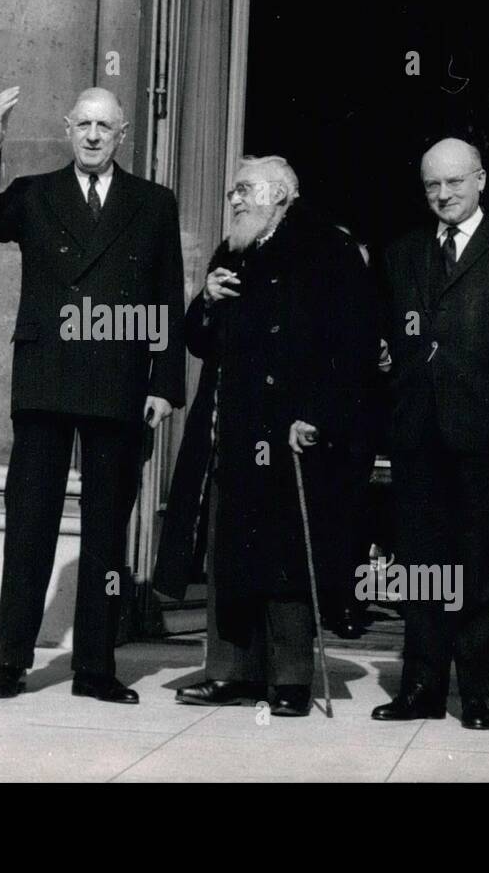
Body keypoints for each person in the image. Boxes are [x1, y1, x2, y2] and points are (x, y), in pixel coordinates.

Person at [0, 86, 185, 704]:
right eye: (82, 124)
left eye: (103, 126)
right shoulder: (35, 193)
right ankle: (12, 662)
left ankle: (95, 666)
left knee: (107, 534)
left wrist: (165, 384)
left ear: (123, 132)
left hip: (118, 381)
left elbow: (168, 294)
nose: (91, 135)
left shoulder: (152, 202)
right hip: (46, 380)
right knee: (31, 527)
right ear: (66, 129)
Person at [155, 157, 379, 716]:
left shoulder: (328, 248)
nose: (233, 199)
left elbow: (353, 345)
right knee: (228, 551)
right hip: (229, 429)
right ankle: (230, 673)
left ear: (280, 195)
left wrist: (318, 415)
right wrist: (205, 299)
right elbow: (198, 342)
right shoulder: (233, 250)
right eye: (232, 190)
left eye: (244, 190)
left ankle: (290, 681)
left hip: (290, 432)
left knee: (285, 561)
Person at [371, 137, 489, 730]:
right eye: (432, 184)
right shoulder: (401, 253)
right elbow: (387, 340)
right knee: (423, 567)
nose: (443, 194)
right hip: (418, 441)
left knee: (483, 568)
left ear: (481, 181)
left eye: (455, 182)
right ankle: (422, 687)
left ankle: (476, 692)